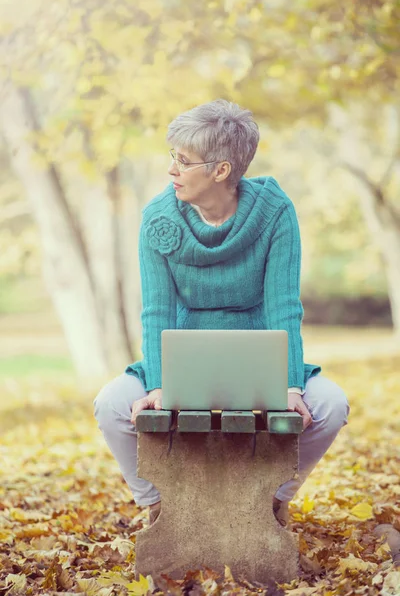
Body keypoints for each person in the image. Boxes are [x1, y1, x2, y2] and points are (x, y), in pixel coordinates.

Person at [93, 99, 350, 527]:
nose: (172, 169)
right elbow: (156, 311)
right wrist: (158, 385)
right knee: (110, 404)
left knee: (330, 405)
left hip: (262, 364)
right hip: (179, 364)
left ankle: (270, 500)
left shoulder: (274, 213)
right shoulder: (159, 219)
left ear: (221, 170)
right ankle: (159, 506)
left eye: (183, 160)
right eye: (172, 156)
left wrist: (289, 384)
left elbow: (283, 306)